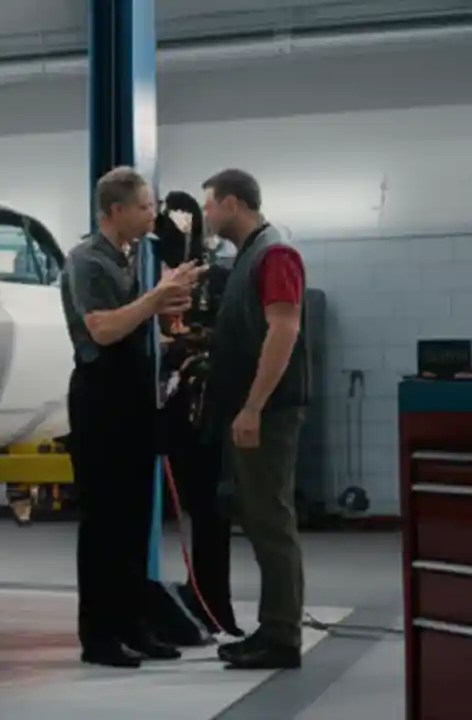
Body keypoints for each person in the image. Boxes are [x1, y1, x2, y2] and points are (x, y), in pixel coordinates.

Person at [60, 166, 204, 668]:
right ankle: (97, 636)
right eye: (145, 206)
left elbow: (139, 320)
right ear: (116, 210)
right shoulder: (85, 260)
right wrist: (154, 299)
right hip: (101, 397)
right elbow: (101, 328)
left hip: (135, 394)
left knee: (135, 517)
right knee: (103, 521)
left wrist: (168, 310)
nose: (152, 214)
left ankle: (132, 624)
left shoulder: (131, 258)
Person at [199, 168, 309, 670]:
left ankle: (282, 638)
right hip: (251, 407)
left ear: (233, 204)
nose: (204, 215)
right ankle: (272, 628)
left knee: (271, 521)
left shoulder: (275, 252)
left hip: (268, 409)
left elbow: (283, 329)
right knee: (261, 518)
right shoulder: (250, 255)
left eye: (209, 205)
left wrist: (253, 406)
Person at [154, 191, 244, 638]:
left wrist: (188, 348)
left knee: (209, 510)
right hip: (164, 408)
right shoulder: (150, 280)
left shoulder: (219, 279)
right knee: (193, 508)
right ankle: (194, 599)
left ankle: (212, 602)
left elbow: (228, 339)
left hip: (204, 408)